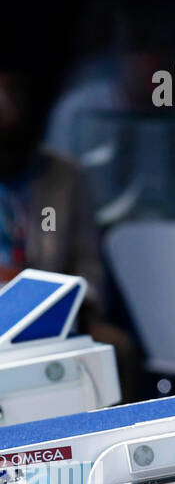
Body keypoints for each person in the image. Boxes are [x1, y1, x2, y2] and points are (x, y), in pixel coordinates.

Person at [0, 71, 140, 399]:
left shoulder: (65, 176)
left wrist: (57, 302)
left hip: (53, 319)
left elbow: (90, 271)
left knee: (118, 348)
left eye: (13, 140)